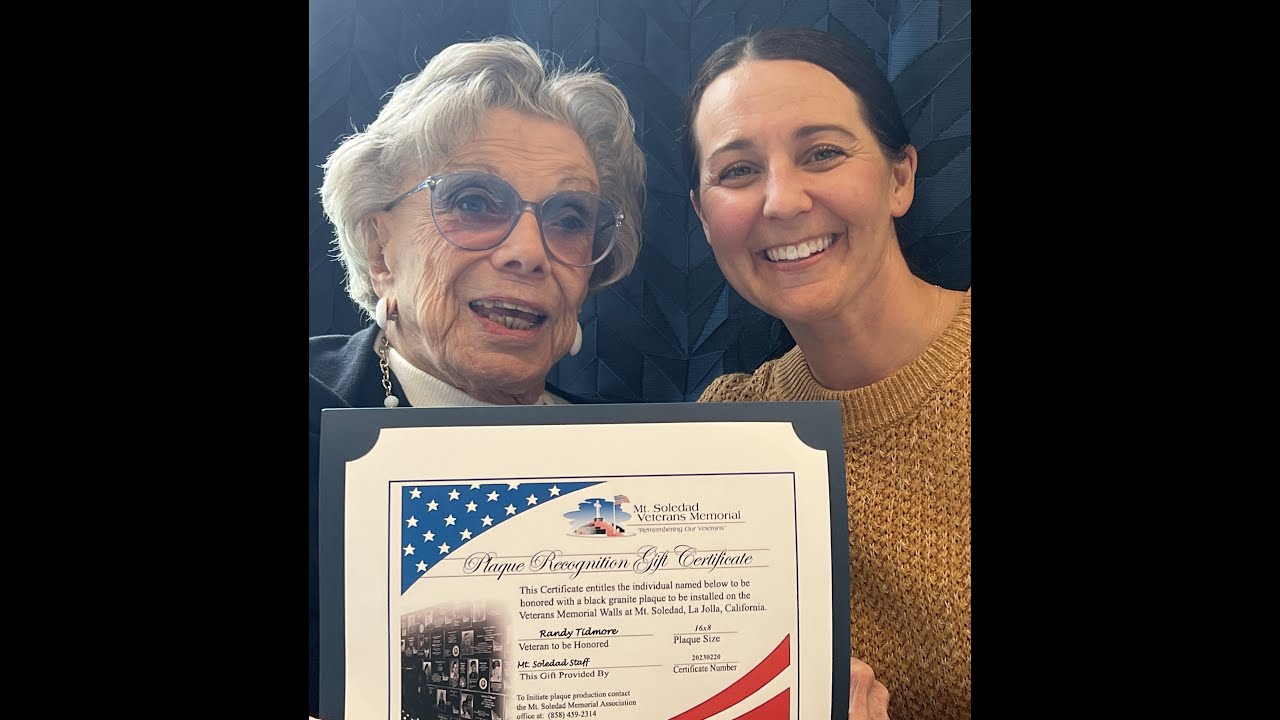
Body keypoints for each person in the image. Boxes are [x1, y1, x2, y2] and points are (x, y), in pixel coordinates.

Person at [308, 36, 646, 719]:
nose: (528, 252)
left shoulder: (636, 465)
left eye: (570, 218)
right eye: (472, 201)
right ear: (380, 250)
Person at [685, 27, 971, 720]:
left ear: (900, 176)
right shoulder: (719, 426)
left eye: (822, 153)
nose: (781, 201)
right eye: (737, 171)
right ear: (702, 216)